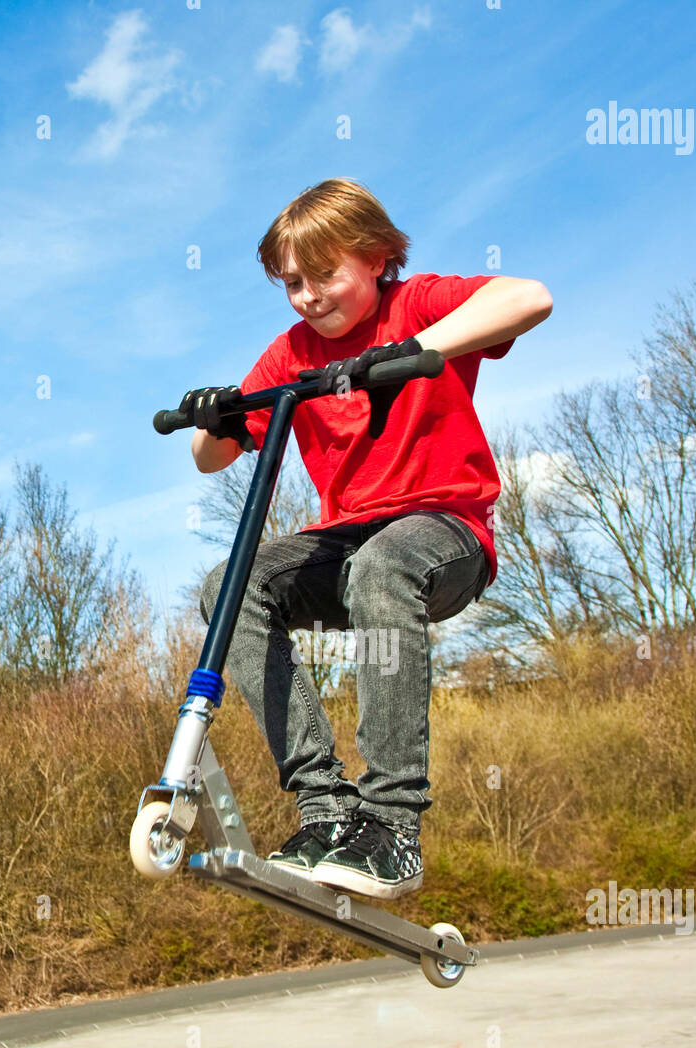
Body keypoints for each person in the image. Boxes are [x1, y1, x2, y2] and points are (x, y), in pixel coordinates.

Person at [193, 178, 552, 900]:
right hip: (346, 542)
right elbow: (212, 457)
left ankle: (391, 824)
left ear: (377, 257)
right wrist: (215, 417)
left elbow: (529, 297)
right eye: (291, 282)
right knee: (229, 588)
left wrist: (413, 350)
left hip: (443, 535)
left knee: (383, 564)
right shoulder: (291, 352)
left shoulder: (412, 303)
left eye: (324, 275)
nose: (307, 296)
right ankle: (326, 810)